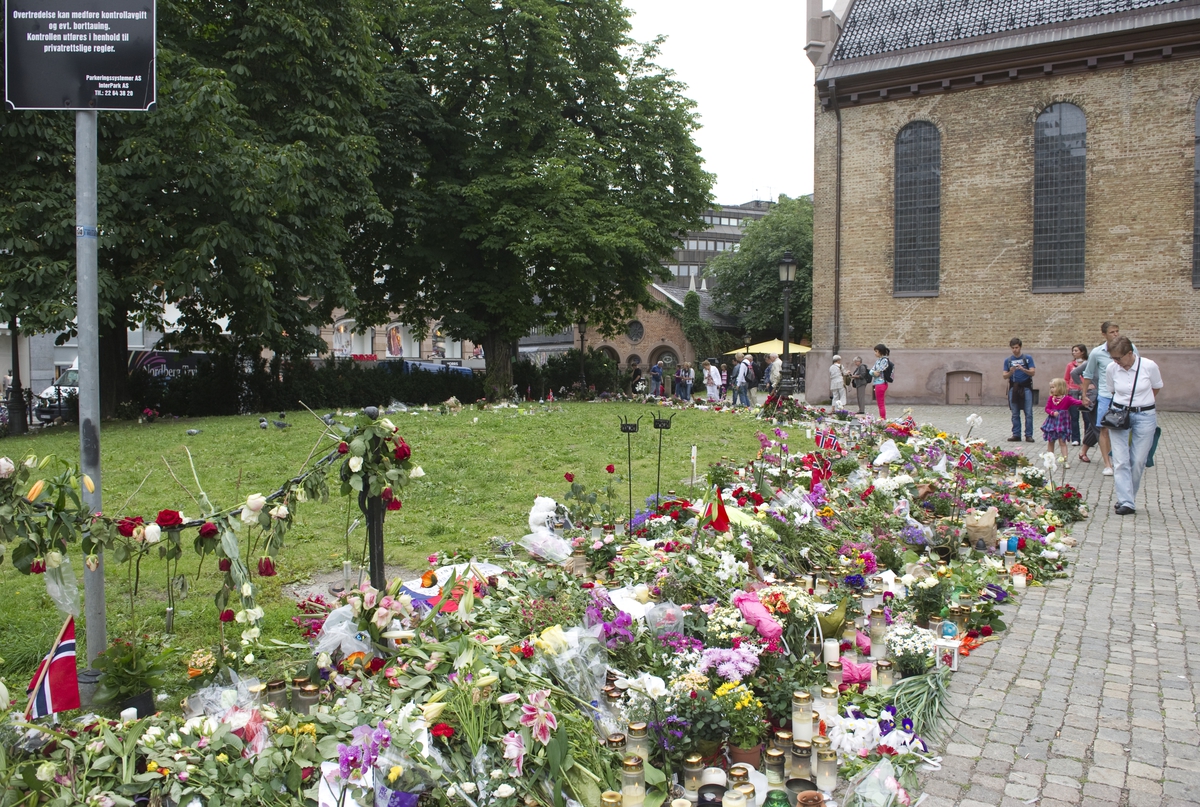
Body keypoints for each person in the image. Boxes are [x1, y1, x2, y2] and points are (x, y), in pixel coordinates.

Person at [1105, 336, 1162, 515]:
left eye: (1118, 358)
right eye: (1113, 358)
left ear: (1130, 353)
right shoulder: (1112, 369)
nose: (1116, 362)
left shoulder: (1149, 366)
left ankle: (1127, 497)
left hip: (1145, 415)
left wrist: (1141, 403)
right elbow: (1112, 391)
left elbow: (1156, 387)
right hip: (1119, 416)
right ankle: (1126, 502)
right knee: (1121, 460)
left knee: (1138, 461)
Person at [1081, 322, 1134, 476]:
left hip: (1124, 395)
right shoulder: (1097, 353)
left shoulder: (1130, 348)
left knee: (1127, 427)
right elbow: (1088, 374)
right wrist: (1084, 395)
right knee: (1103, 428)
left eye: (1117, 331)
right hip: (1105, 395)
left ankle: (1123, 460)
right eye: (1112, 332)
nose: (1116, 334)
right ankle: (1107, 464)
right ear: (1104, 334)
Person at [1041, 378, 1084, 467]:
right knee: (1051, 441)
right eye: (1051, 387)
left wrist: (1084, 402)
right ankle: (1050, 460)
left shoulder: (1067, 398)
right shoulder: (1051, 398)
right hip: (1052, 422)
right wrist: (1052, 413)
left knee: (1062, 442)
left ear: (1060, 387)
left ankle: (1065, 461)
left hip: (1063, 422)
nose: (1052, 389)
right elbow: (1047, 408)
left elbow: (1076, 402)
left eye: (1053, 387)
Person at [1002, 338, 1036, 442]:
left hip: (1026, 387)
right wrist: (1011, 372)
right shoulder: (1008, 360)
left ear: (1020, 347)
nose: (1015, 350)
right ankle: (1016, 434)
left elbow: (1032, 372)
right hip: (1014, 387)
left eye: (1016, 347)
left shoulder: (1027, 358)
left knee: (1028, 412)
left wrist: (1023, 369)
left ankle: (1028, 435)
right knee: (1015, 412)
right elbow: (1004, 376)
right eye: (1012, 348)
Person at [1064, 344, 1087, 445]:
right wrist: (1068, 388)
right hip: (1073, 391)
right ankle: (1075, 438)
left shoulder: (1088, 364)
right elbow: (1066, 379)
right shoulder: (1070, 365)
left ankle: (1087, 439)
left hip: (1085, 391)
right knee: (1074, 416)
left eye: (1076, 350)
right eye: (1073, 351)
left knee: (1086, 416)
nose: (1074, 352)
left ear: (1082, 352)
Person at [869, 344, 892, 419]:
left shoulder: (884, 361)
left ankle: (883, 419)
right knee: (880, 404)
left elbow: (878, 372)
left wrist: (873, 372)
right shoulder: (878, 360)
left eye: (876, 351)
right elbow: (871, 371)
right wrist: (873, 372)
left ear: (880, 352)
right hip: (878, 383)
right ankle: (882, 418)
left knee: (881, 404)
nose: (875, 353)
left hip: (880, 383)